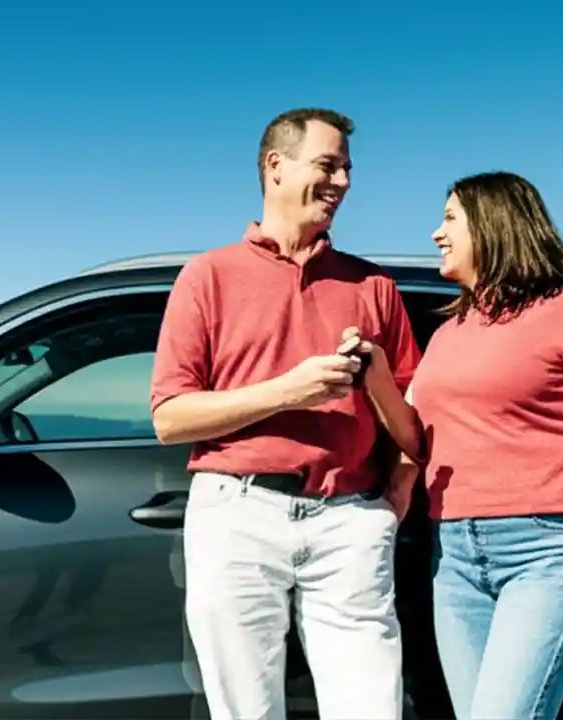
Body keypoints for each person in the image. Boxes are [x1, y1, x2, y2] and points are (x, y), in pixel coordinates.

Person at [149, 107, 422, 720]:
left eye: (347, 169)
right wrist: (288, 391)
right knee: (246, 710)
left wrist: (397, 492)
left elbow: (416, 406)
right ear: (276, 166)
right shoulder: (207, 276)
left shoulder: (373, 286)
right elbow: (170, 417)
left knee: (371, 708)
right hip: (237, 513)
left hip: (350, 520)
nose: (343, 182)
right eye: (328, 165)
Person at [404, 170, 563, 719]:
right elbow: (411, 432)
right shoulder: (449, 333)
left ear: (494, 224)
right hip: (455, 557)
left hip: (549, 552)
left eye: (450, 219)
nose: (437, 233)